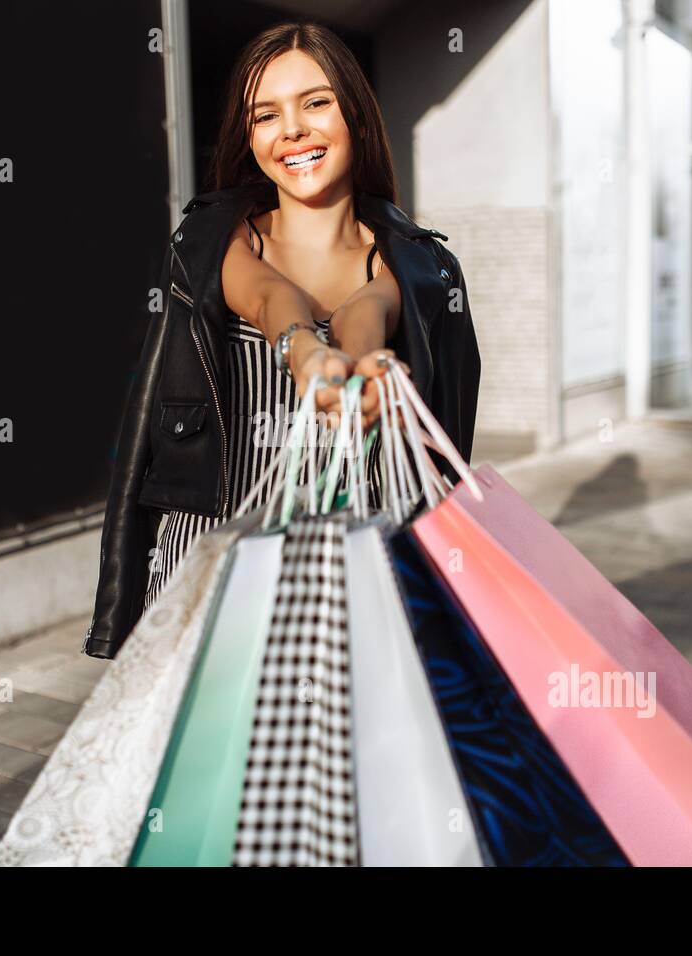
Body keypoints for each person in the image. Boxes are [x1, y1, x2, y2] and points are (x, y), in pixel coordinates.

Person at [85, 22, 480, 659]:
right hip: (213, 560)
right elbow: (271, 298)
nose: (291, 130)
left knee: (346, 755)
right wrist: (303, 350)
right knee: (215, 756)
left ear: (356, 113)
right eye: (265, 114)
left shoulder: (421, 269)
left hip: (358, 565)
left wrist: (369, 361)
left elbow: (368, 309)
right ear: (250, 137)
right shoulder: (216, 241)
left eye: (315, 102)